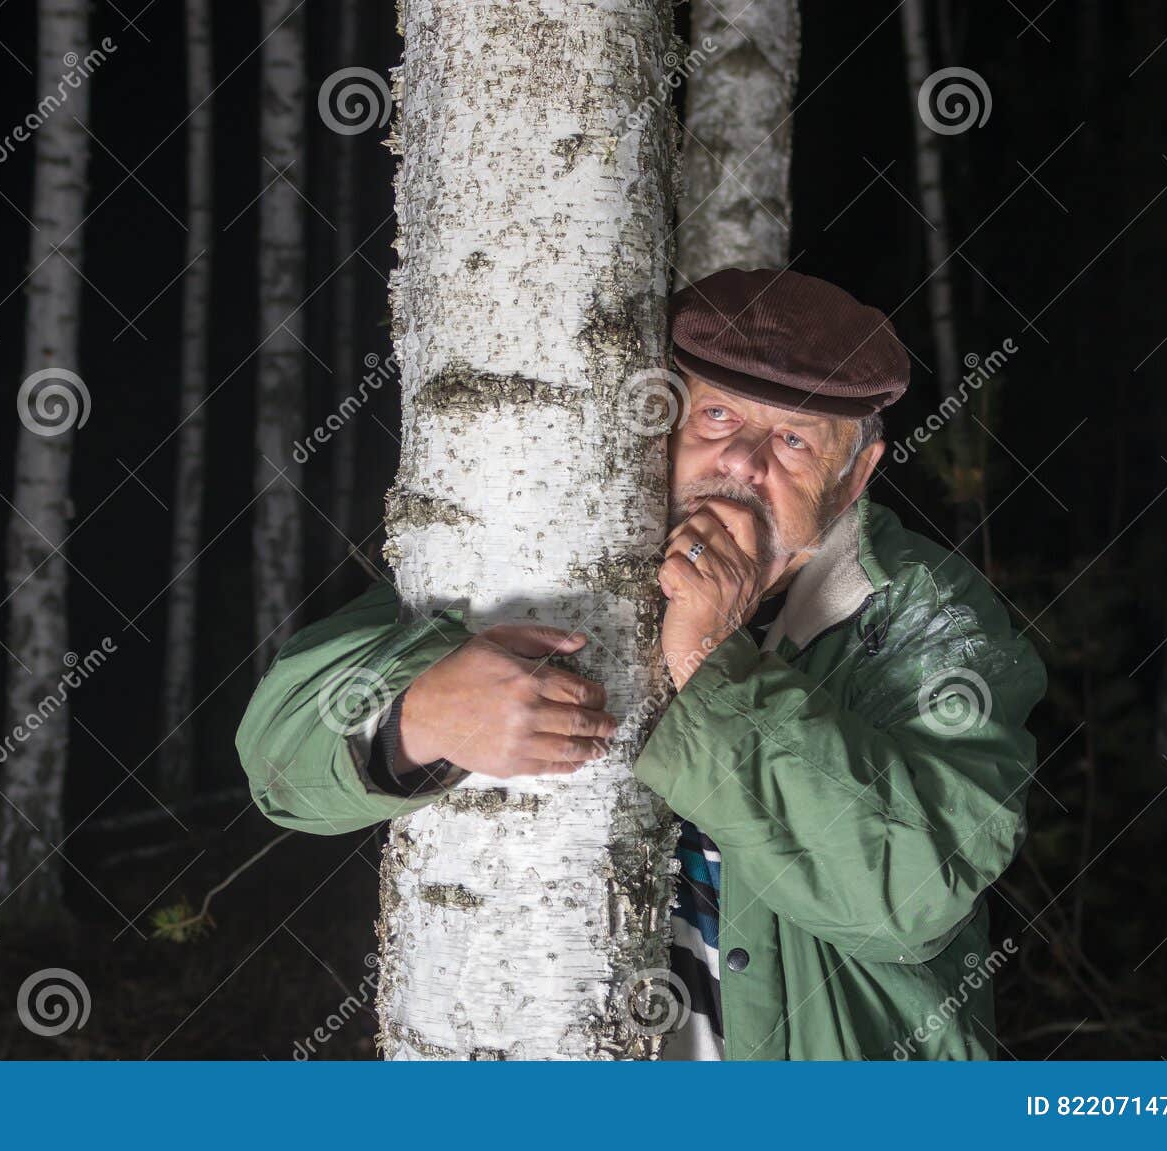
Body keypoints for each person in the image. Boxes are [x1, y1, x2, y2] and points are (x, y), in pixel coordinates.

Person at [236, 267, 1047, 1059]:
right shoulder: (538, 541)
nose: (745, 462)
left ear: (854, 474)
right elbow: (278, 764)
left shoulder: (927, 613)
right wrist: (420, 717)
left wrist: (712, 660)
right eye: (719, 415)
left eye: (795, 439)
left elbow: (910, 895)